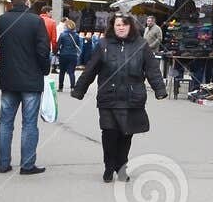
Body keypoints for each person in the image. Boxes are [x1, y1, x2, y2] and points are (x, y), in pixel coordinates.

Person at [71, 12, 167, 183]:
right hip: (108, 97)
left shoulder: (141, 45)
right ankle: (109, 166)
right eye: (118, 25)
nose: (121, 27)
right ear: (112, 27)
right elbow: (90, 69)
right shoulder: (103, 44)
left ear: (130, 26)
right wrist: (79, 90)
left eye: (124, 24)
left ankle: (122, 167)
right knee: (109, 133)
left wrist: (159, 89)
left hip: (132, 98)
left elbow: (152, 69)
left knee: (126, 135)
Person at [0, 0, 51, 175]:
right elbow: (43, 50)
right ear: (27, 1)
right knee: (29, 124)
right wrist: (45, 69)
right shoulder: (36, 21)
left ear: (11, 1)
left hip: (8, 77)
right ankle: (27, 164)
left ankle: (3, 163)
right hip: (31, 78)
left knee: (5, 122)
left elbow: (1, 43)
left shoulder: (1, 21)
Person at [56, 17, 82, 91]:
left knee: (62, 72)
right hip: (73, 55)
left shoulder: (62, 35)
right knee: (71, 72)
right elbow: (79, 45)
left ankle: (60, 87)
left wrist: (56, 52)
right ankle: (72, 87)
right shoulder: (76, 35)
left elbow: (58, 45)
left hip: (63, 55)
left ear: (66, 26)